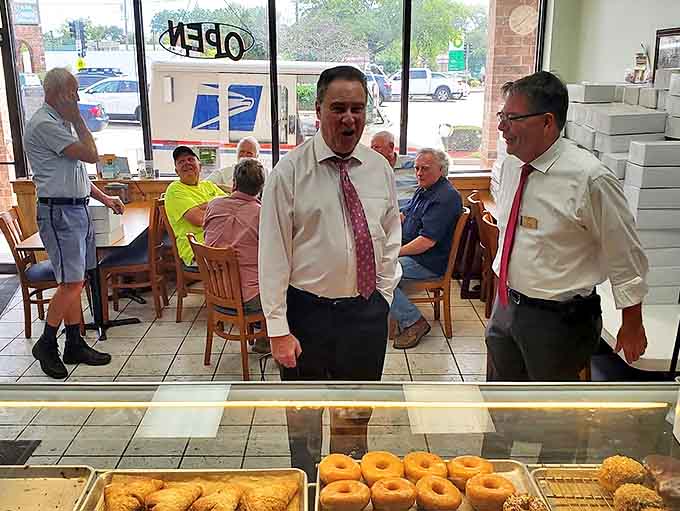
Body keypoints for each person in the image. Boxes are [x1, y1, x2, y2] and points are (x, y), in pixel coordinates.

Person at [259, 65, 401, 479]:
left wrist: (385, 296)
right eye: (338, 108)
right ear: (317, 110)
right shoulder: (289, 172)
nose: (349, 118)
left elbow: (391, 235)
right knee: (303, 422)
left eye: (358, 108)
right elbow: (271, 255)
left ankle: (345, 490)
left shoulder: (379, 169)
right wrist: (277, 329)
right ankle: (306, 488)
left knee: (354, 418)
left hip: (364, 314)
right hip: (306, 315)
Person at [487, 71, 649, 382]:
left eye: (512, 118)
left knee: (548, 416)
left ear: (547, 122)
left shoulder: (590, 178)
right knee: (503, 401)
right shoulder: (510, 165)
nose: (501, 127)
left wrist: (632, 322)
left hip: (557, 319)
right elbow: (512, 237)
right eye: (501, 115)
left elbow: (625, 254)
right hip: (507, 304)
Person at [24, 67, 122, 379]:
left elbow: (77, 174)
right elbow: (92, 155)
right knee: (71, 283)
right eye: (72, 92)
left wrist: (105, 199)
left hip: (76, 208)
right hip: (60, 213)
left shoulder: (59, 123)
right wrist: (79, 118)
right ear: (55, 93)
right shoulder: (45, 124)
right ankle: (47, 343)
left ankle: (75, 342)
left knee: (76, 279)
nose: (77, 99)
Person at [389, 148, 462, 349]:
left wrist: (393, 253)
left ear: (441, 169)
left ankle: (414, 322)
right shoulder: (425, 189)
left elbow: (426, 242)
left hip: (429, 261)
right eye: (417, 168)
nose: (419, 173)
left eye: (425, 169)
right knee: (374, 264)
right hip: (414, 252)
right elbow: (405, 215)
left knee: (380, 274)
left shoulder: (445, 197)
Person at [203, 158, 269, 354]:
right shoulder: (262, 214)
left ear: (233, 183)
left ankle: (263, 334)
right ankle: (268, 338)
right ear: (261, 188)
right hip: (250, 298)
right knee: (288, 289)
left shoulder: (213, 206)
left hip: (216, 292)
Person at [165, 146, 225, 267]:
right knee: (244, 258)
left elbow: (231, 207)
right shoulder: (174, 190)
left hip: (220, 242)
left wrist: (202, 207)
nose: (186, 163)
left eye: (190, 159)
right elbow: (200, 220)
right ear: (176, 171)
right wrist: (215, 203)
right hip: (197, 250)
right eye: (181, 162)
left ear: (200, 166)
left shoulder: (208, 185)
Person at [370, 131, 418, 207]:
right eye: (371, 148)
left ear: (391, 147)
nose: (372, 151)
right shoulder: (371, 170)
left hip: (411, 214)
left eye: (376, 147)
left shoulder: (414, 165)